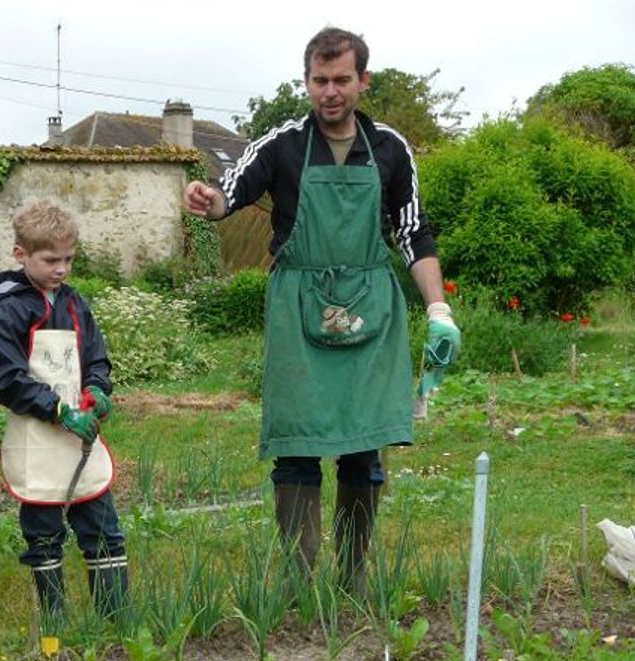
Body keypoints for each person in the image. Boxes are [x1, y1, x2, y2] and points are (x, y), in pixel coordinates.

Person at [183, 27, 462, 592]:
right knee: (297, 445)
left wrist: (438, 310)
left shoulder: (389, 148)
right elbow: (228, 194)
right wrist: (205, 200)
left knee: (364, 446)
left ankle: (352, 580)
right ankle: (297, 583)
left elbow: (413, 232)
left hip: (371, 310)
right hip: (299, 309)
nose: (329, 91)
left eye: (341, 80)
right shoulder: (281, 145)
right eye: (319, 80)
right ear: (306, 80)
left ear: (362, 80)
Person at [0, 202, 126, 628]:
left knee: (103, 528)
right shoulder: (8, 310)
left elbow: (96, 356)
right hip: (37, 438)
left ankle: (116, 624)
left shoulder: (76, 303)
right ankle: (55, 625)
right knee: (44, 534)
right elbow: (5, 377)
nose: (61, 269)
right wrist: (57, 409)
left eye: (68, 260)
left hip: (81, 436)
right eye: (50, 260)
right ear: (21, 254)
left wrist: (98, 388)